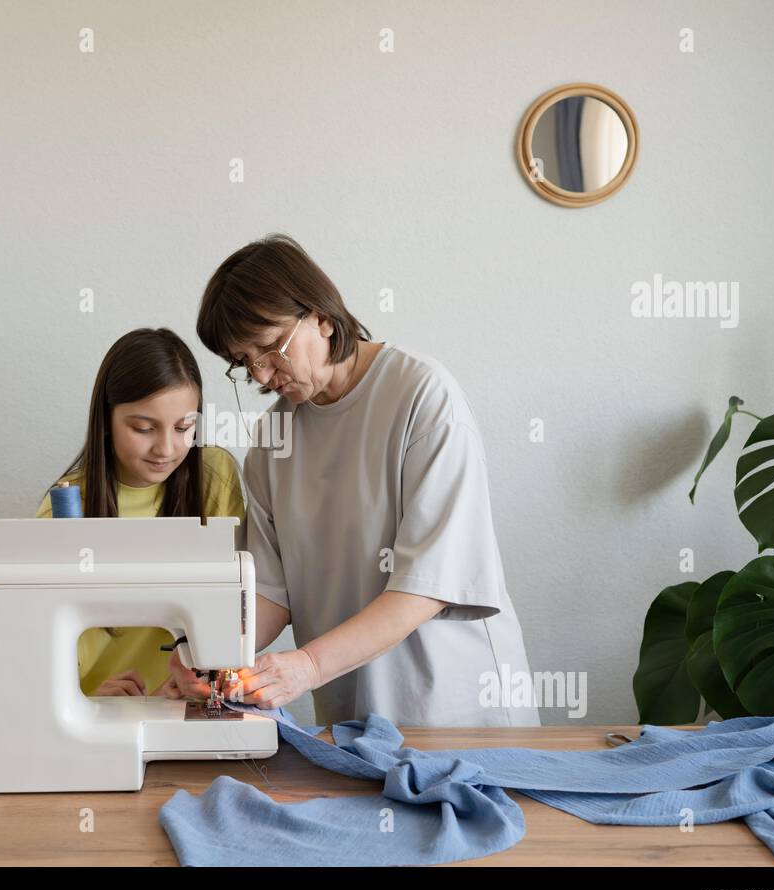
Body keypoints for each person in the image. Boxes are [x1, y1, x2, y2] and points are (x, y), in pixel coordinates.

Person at [168, 234, 540, 727]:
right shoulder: (273, 439)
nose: (261, 374)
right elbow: (271, 595)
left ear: (321, 315)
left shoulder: (423, 397)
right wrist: (200, 648)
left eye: (269, 347)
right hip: (354, 718)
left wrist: (308, 665)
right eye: (243, 363)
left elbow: (426, 585)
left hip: (457, 709)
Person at [37, 327, 245, 697]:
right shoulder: (67, 506)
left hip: (183, 697)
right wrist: (82, 700)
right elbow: (40, 640)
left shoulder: (214, 476)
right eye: (144, 428)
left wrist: (196, 679)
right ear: (106, 421)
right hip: (99, 702)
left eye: (185, 427)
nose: (166, 448)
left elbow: (230, 605)